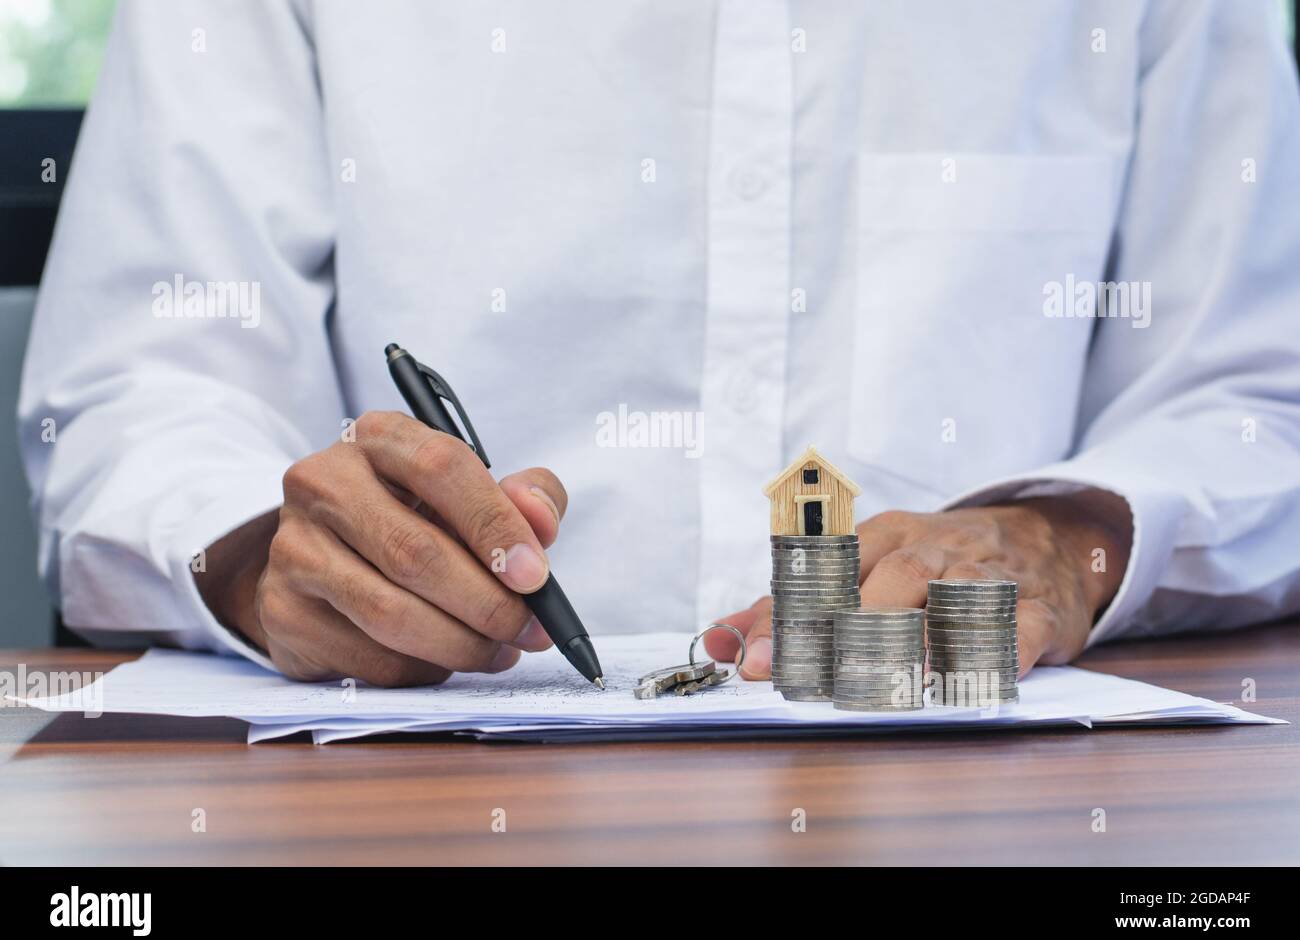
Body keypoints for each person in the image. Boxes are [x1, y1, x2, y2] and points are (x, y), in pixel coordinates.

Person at [19, 0, 1300, 687]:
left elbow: (1261, 394)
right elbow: (144, 386)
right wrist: (272, 560)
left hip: (1004, 814)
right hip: (408, 819)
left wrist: (1069, 539)